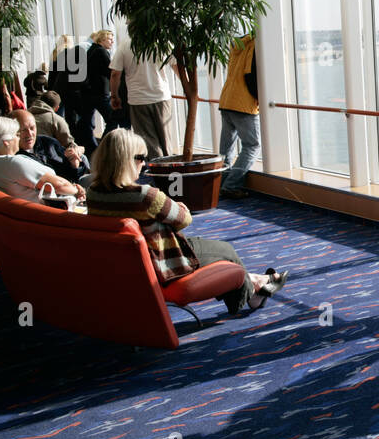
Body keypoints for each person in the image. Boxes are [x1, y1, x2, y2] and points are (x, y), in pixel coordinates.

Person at [85, 129, 288, 314]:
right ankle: (251, 295)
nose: (144, 163)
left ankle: (256, 281)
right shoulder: (145, 196)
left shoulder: (93, 194)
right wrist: (177, 205)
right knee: (227, 251)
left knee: (219, 252)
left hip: (126, 266)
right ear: (124, 161)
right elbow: (183, 220)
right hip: (163, 259)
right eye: (140, 158)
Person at [0, 116, 84, 204]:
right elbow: (60, 185)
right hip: (55, 215)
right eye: (17, 135)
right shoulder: (12, 163)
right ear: (6, 142)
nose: (18, 139)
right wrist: (76, 190)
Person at [109, 37, 175, 160]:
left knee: (148, 140)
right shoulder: (161, 42)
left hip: (138, 99)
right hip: (162, 96)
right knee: (166, 138)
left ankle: (157, 169)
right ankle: (169, 168)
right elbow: (176, 65)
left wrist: (114, 96)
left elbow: (115, 74)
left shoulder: (125, 45)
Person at [218, 34, 260, 199]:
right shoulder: (255, 45)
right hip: (243, 103)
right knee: (252, 146)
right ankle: (231, 185)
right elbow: (250, 74)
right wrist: (259, 98)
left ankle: (221, 184)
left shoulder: (239, 44)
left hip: (227, 99)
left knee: (226, 147)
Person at [11, 109, 89, 183]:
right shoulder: (13, 156)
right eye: (23, 130)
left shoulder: (48, 143)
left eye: (32, 128)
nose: (29, 134)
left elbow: (73, 174)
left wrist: (74, 165)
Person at [74, 30, 118, 155]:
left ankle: (89, 147)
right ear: (102, 40)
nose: (112, 41)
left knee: (86, 121)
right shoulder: (101, 52)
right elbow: (109, 72)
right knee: (112, 119)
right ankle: (104, 145)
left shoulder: (91, 50)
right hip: (99, 93)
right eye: (109, 39)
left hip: (87, 92)